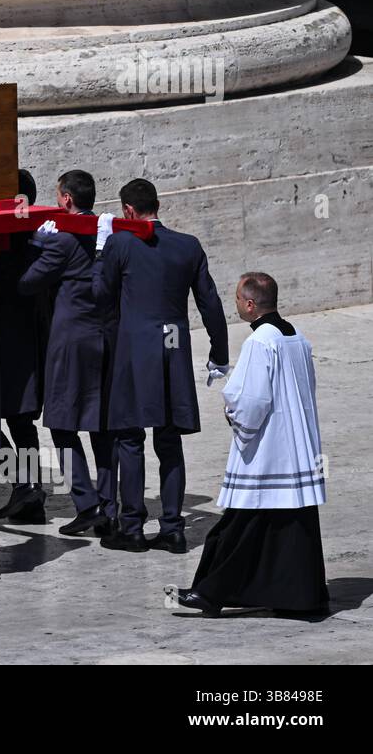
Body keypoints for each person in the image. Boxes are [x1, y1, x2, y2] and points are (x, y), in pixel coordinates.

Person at [179, 272, 329, 617]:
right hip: (298, 447)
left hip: (269, 451)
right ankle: (302, 597)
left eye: (236, 301)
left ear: (250, 305)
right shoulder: (297, 337)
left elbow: (252, 400)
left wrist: (234, 414)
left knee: (239, 524)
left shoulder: (261, 341)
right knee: (289, 527)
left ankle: (209, 593)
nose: (236, 307)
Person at [93, 178, 230, 553]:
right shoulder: (188, 245)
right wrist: (219, 353)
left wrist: (101, 251)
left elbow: (101, 295)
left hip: (134, 351)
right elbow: (210, 302)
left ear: (128, 211)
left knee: (129, 438)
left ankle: (132, 526)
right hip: (173, 349)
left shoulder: (120, 243)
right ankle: (173, 528)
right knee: (168, 441)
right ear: (157, 205)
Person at [18, 170, 117, 537]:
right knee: (101, 427)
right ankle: (108, 505)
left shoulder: (60, 241)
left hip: (71, 339)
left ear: (66, 200)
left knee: (62, 423)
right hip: (103, 335)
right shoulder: (109, 235)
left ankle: (87, 503)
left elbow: (27, 284)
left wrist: (36, 244)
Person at [0, 169, 50, 523]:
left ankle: (22, 485)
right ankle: (28, 489)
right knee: (21, 421)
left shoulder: (3, 242)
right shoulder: (38, 238)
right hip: (28, 339)